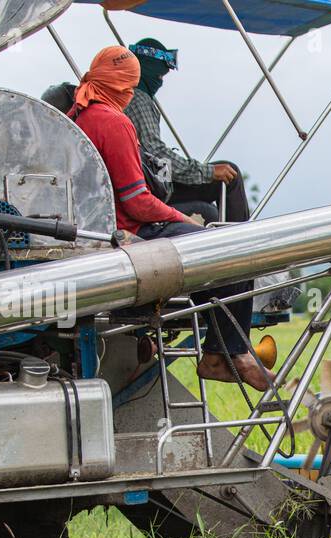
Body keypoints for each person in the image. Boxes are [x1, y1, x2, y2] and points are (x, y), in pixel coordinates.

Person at [69, 46, 269, 388]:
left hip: (102, 228)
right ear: (126, 88)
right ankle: (228, 353)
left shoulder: (79, 115)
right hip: (133, 232)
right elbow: (137, 202)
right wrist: (184, 219)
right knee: (231, 252)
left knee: (209, 250)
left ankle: (223, 351)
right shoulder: (115, 122)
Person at [124, 38, 252, 223]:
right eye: (160, 76)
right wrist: (207, 171)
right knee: (230, 173)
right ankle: (242, 239)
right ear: (149, 69)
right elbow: (158, 155)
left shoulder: (127, 97)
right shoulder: (139, 99)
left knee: (211, 208)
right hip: (152, 185)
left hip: (147, 180)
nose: (160, 82)